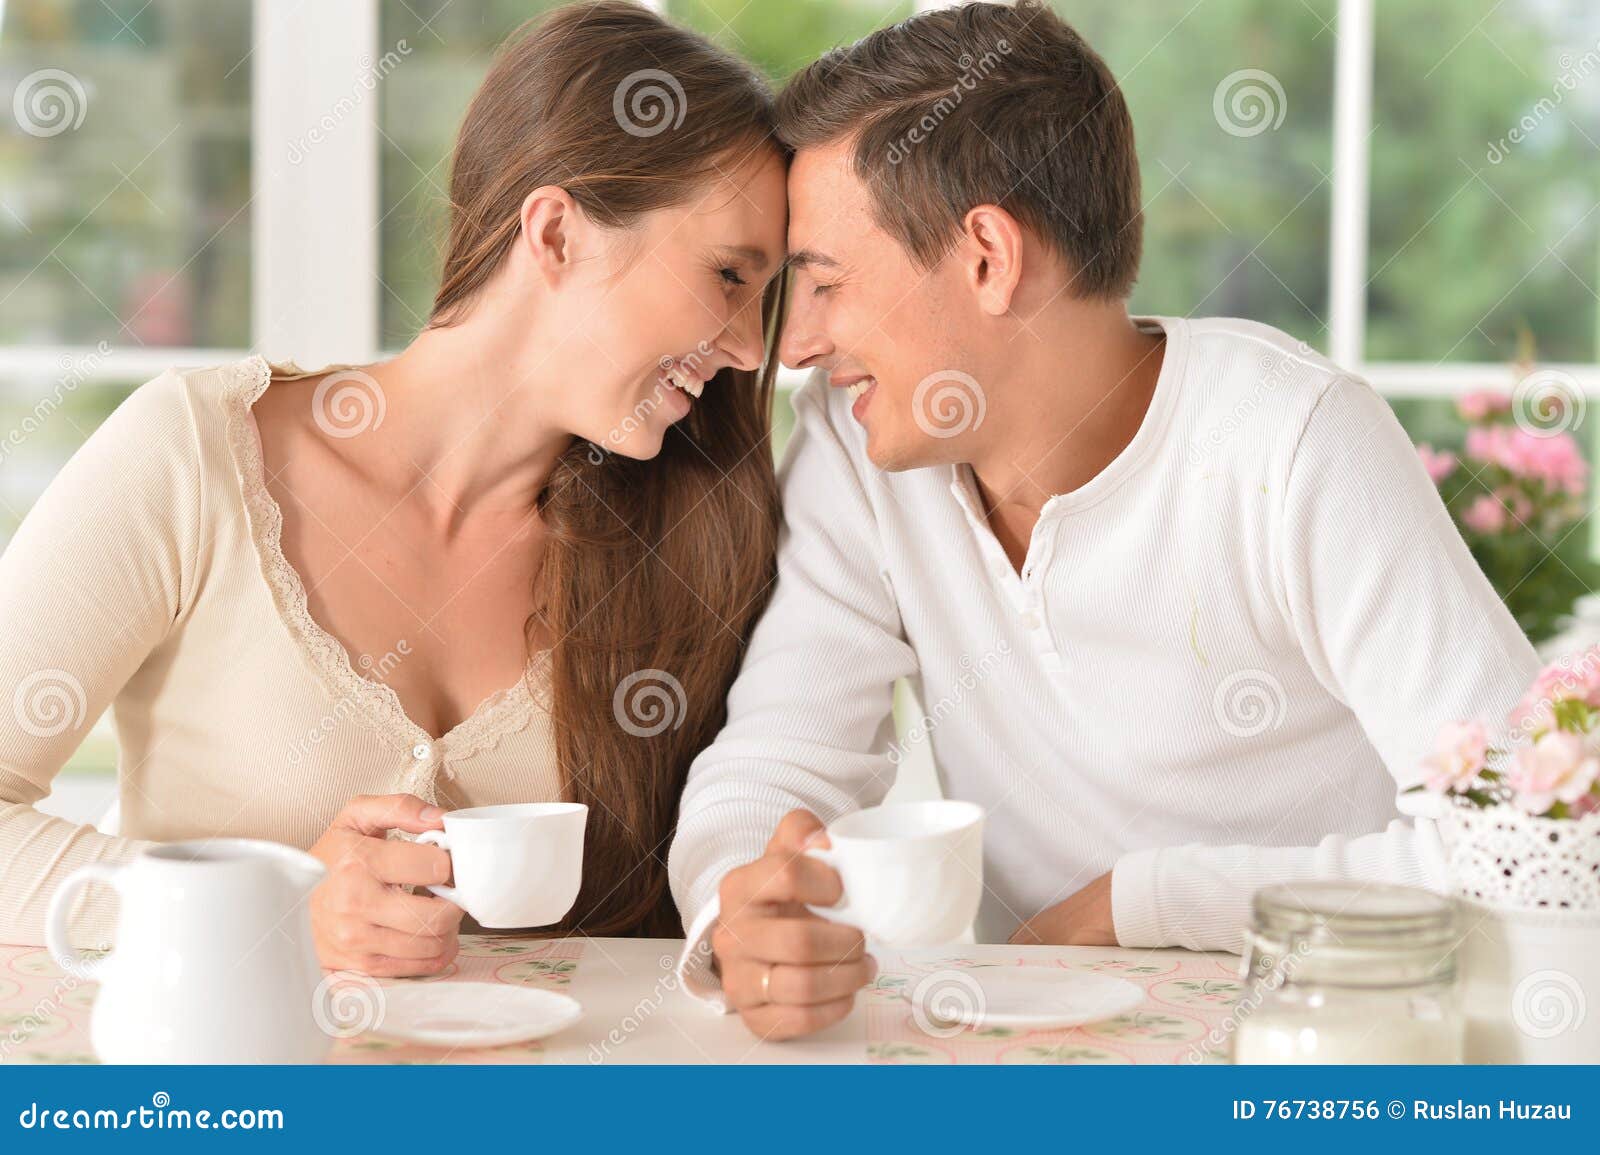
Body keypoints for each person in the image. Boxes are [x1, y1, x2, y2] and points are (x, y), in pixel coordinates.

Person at [667, 0, 1538, 1040]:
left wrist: (1146, 901)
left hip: (1323, 1051)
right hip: (1029, 1059)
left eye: (824, 283)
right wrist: (738, 910)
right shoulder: (861, 452)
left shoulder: (1293, 440)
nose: (796, 344)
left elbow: (1533, 842)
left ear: (987, 256)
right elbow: (778, 757)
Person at [0, 0, 787, 975]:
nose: (749, 348)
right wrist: (279, 909)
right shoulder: (195, 455)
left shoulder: (691, 535)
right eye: (728, 274)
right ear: (554, 235)